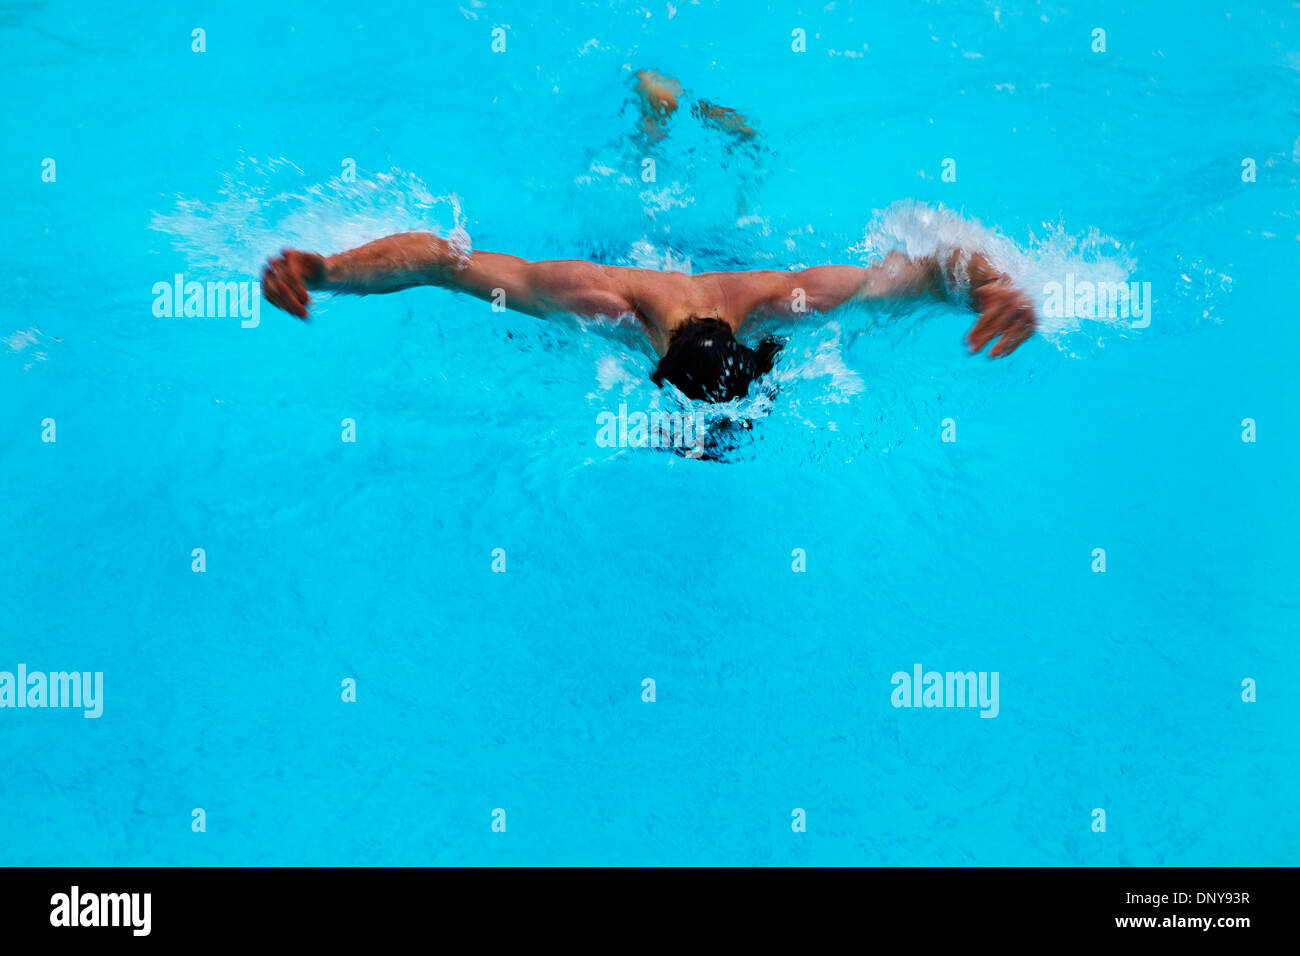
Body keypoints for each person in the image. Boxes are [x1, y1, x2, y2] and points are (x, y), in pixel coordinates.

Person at [260, 70, 1036, 403]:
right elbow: (929, 273)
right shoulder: (606, 299)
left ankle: (676, 123)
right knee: (655, 207)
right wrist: (322, 271)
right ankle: (675, 125)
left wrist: (328, 270)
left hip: (692, 263)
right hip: (680, 259)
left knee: (692, 203)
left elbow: (934, 273)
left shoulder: (766, 305)